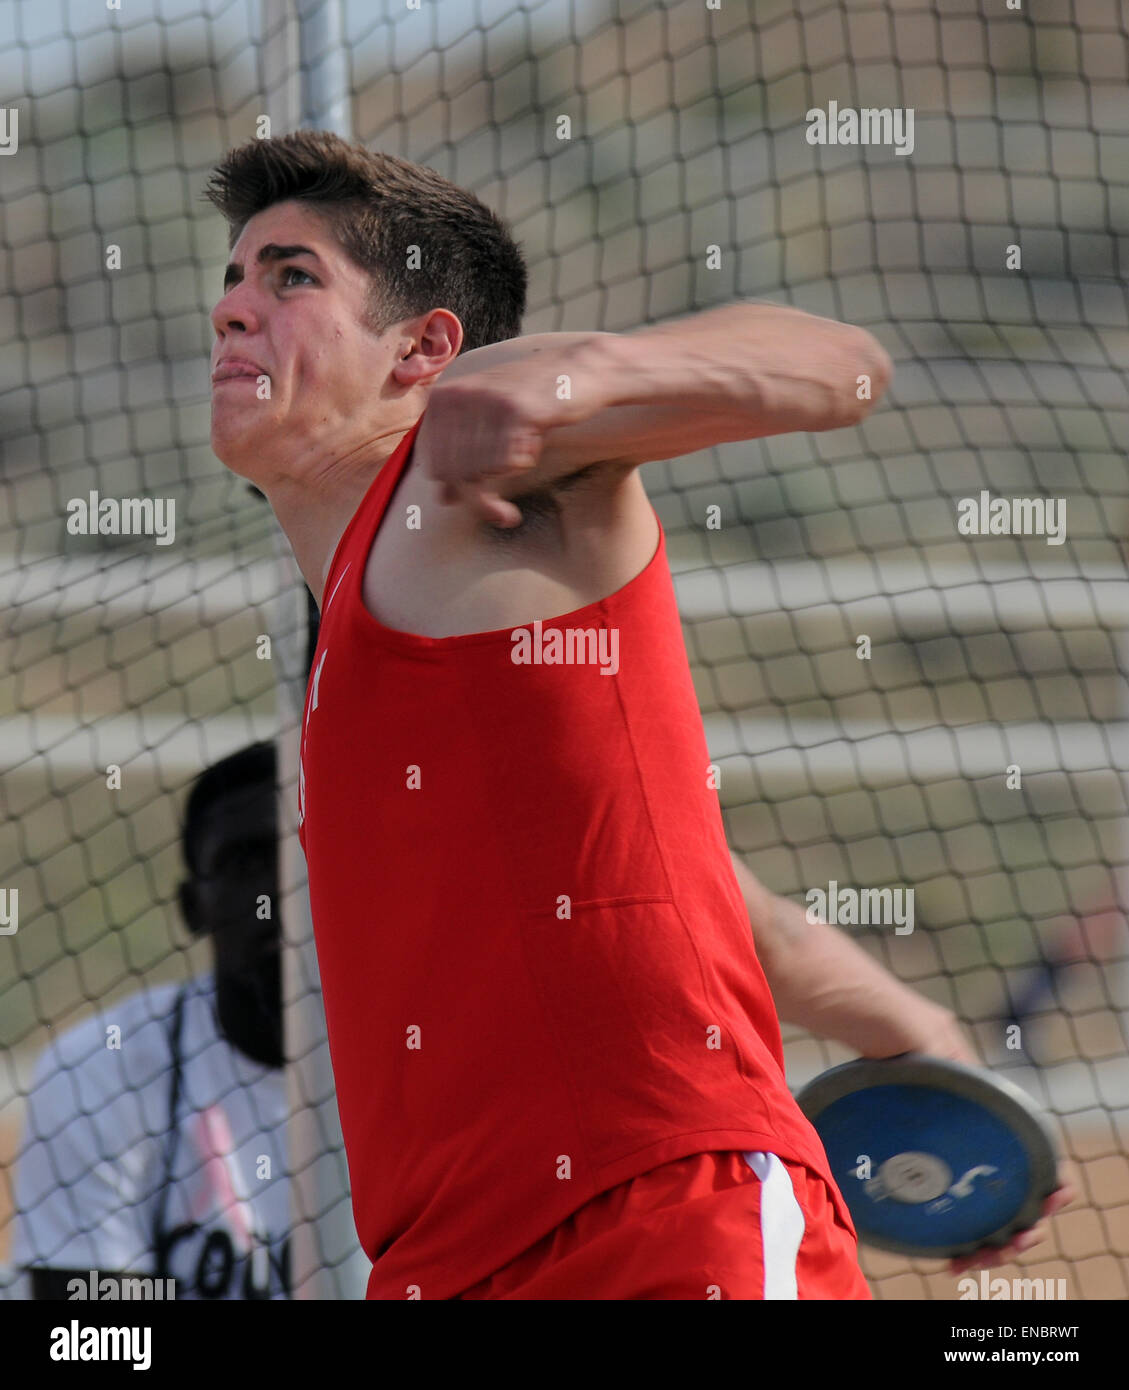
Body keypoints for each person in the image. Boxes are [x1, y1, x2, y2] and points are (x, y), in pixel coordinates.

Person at [204, 130, 1067, 1299]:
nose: (234, 310)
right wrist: (913, 1033)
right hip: (452, 1271)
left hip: (659, 1224)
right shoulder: (349, 642)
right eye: (233, 279)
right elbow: (717, 899)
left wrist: (575, 377)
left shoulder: (479, 483)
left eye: (290, 276)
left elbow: (839, 360)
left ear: (425, 349)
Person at [11, 744, 290, 1300]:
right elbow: (85, 1338)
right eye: (245, 863)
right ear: (193, 908)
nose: (278, 893)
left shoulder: (438, 1071)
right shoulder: (97, 1074)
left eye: (305, 852)